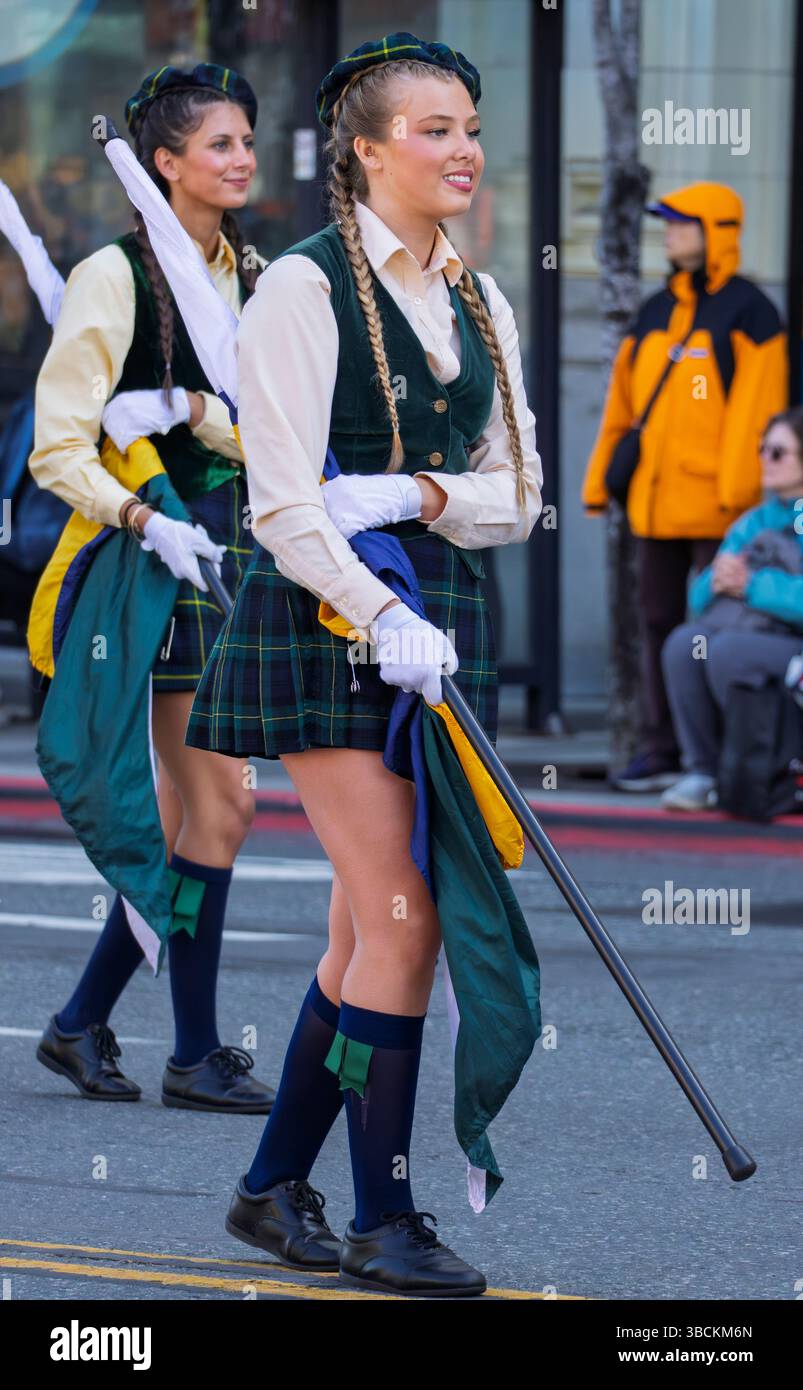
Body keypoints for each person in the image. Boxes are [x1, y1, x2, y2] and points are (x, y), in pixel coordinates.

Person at [184, 34, 543, 1296]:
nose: (463, 151)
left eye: (470, 127)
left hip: (444, 615)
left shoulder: (482, 299)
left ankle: (274, 1182)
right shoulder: (300, 285)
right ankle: (384, 1216)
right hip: (326, 620)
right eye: (434, 128)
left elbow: (520, 493)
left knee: (361, 929)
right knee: (406, 915)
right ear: (369, 149)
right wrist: (374, 609)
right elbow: (281, 508)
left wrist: (414, 489)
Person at [29, 65, 274, 1113]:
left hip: (228, 552)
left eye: (247, 140)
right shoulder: (113, 275)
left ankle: (89, 1023)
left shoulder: (254, 276)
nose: (243, 158)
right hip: (147, 568)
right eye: (218, 144)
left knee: (205, 812)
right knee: (219, 803)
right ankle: (189, 1049)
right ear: (162, 163)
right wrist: (143, 515)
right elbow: (56, 447)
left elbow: (256, 421)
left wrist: (200, 416)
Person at [582, 183, 788, 791]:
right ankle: (661, 750)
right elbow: (622, 410)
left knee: (721, 633)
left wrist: (737, 501)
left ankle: (724, 757)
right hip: (654, 504)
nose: (668, 234)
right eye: (665, 224)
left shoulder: (751, 312)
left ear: (716, 230)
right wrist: (599, 485)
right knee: (657, 626)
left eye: (680, 224)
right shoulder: (652, 311)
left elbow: (759, 413)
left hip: (723, 512)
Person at [660, 407, 803, 810]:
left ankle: (746, 763)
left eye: (779, 452)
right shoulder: (754, 520)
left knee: (729, 650)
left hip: (790, 643)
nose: (765, 460)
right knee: (685, 644)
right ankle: (704, 771)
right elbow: (699, 602)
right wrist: (715, 580)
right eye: (762, 449)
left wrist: (753, 585)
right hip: (754, 634)